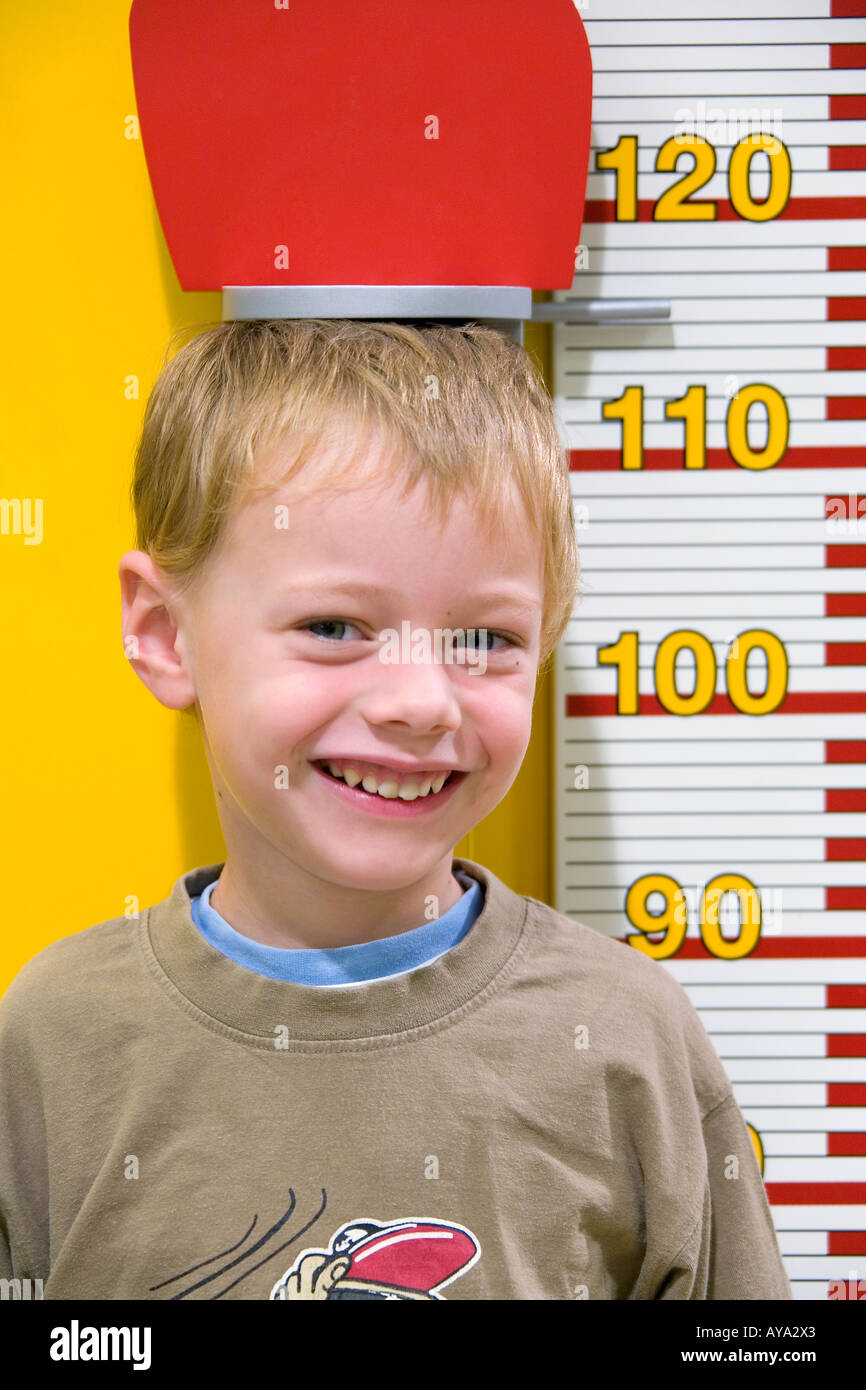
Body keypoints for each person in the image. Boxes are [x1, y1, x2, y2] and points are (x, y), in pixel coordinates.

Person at [0, 319, 791, 1300]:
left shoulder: (628, 1040)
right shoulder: (50, 1039)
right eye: (334, 626)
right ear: (166, 633)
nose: (421, 699)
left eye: (486, 638)